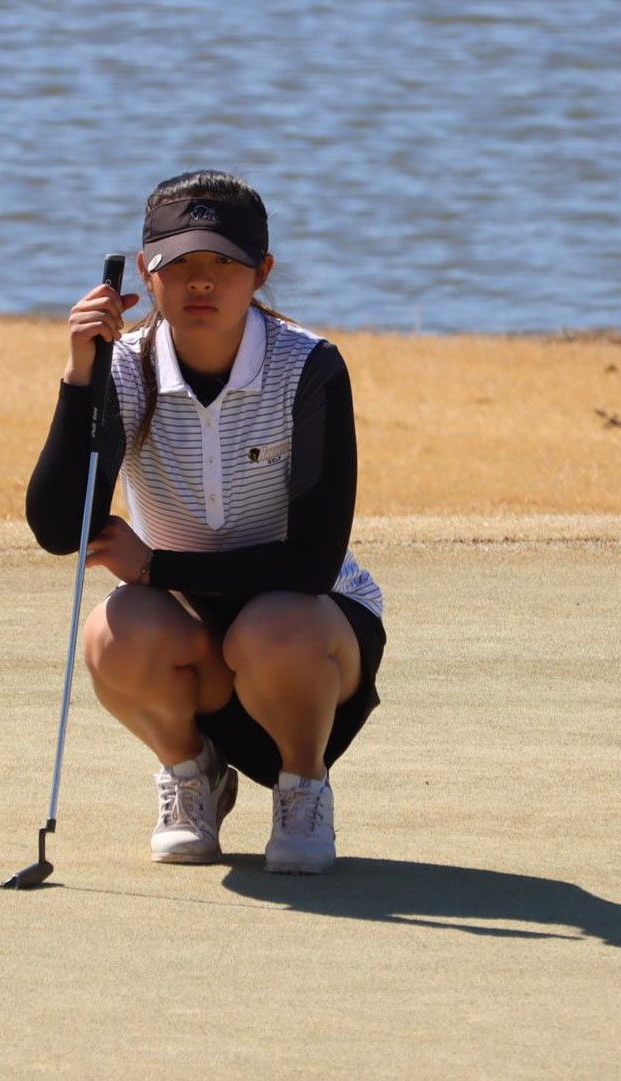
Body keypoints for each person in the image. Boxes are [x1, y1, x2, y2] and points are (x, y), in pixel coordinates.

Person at [26, 170, 385, 875]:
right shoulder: (122, 367)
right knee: (114, 630)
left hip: (313, 629)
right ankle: (193, 775)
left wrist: (157, 567)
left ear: (261, 274)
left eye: (222, 264)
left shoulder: (310, 367)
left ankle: (302, 784)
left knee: (274, 625)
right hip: (186, 629)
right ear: (143, 273)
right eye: (179, 264)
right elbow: (58, 529)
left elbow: (309, 564)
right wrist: (80, 380)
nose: (200, 282)